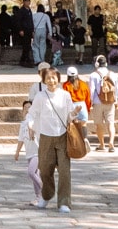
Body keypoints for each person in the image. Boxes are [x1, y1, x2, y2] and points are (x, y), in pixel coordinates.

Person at [27, 66, 84, 213]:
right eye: (48, 78)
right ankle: (46, 195)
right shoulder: (40, 96)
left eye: (54, 77)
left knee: (65, 171)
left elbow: (69, 116)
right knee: (45, 169)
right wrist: (31, 125)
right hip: (45, 137)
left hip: (62, 136)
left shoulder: (65, 95)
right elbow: (32, 113)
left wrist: (74, 113)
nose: (51, 80)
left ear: (58, 79)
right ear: (44, 80)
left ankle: (64, 202)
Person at [89, 57, 118, 153]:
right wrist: (116, 100)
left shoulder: (93, 75)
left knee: (99, 124)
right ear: (106, 64)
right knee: (111, 123)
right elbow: (116, 89)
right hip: (110, 102)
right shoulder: (113, 74)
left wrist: (91, 102)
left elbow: (91, 90)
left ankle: (102, 144)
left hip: (97, 102)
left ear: (96, 64)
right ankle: (111, 143)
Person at [13, 99, 39, 199]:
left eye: (29, 107)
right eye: (25, 108)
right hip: (29, 153)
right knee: (35, 175)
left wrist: (31, 128)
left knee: (31, 172)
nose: (27, 110)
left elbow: (31, 125)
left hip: (37, 151)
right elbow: (21, 139)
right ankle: (39, 197)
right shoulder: (23, 123)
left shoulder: (36, 120)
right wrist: (17, 152)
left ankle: (45, 190)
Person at [31, 3, 53, 68]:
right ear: (43, 9)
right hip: (43, 30)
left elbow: (31, 24)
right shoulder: (46, 16)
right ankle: (42, 60)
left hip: (36, 30)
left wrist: (32, 32)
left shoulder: (34, 15)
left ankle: (37, 61)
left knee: (35, 46)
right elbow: (49, 25)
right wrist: (50, 34)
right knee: (42, 46)